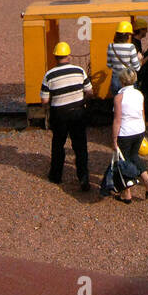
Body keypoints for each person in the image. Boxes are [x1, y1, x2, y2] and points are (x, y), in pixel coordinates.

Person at [40, 41, 93, 191]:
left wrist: (49, 108)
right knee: (80, 146)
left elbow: (44, 100)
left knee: (58, 144)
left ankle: (56, 176)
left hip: (59, 115)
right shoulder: (79, 70)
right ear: (69, 55)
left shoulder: (49, 75)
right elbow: (90, 92)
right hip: (78, 112)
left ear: (55, 56)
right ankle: (83, 177)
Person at [110, 69, 148, 203]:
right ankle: (147, 181)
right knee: (134, 156)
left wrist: (113, 139)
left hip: (125, 132)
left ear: (121, 81)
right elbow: (142, 114)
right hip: (139, 129)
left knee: (123, 161)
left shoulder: (119, 98)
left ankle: (126, 193)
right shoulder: (139, 94)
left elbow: (117, 120)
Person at [107, 21, 140, 98]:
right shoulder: (131, 47)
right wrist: (140, 59)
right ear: (127, 35)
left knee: (117, 103)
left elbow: (109, 65)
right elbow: (137, 68)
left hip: (115, 79)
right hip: (129, 80)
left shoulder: (110, 46)